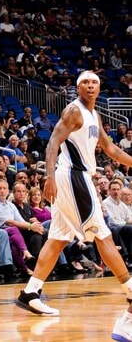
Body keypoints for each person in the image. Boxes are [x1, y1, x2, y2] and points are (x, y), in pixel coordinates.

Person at [14, 71, 132, 342]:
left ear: (100, 89)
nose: (91, 87)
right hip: (73, 177)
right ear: (78, 88)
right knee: (102, 234)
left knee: (57, 239)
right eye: (86, 83)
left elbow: (111, 150)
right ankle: (129, 288)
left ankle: (31, 292)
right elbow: (54, 140)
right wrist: (50, 176)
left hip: (78, 178)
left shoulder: (94, 115)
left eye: (95, 83)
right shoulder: (73, 110)